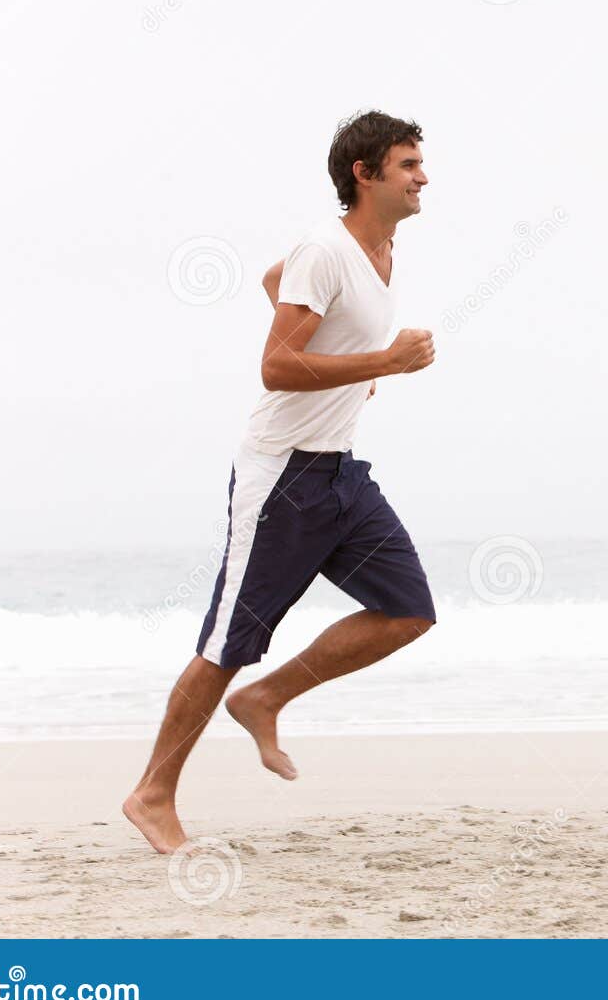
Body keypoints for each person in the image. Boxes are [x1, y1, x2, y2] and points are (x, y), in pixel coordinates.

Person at [124, 111, 438, 853]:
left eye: (421, 163)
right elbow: (275, 366)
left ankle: (267, 698)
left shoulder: (380, 249)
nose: (423, 176)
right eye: (406, 165)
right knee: (228, 642)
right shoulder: (326, 248)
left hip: (339, 472)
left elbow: (278, 284)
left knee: (407, 610)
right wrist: (379, 364)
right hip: (282, 476)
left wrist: (349, 369)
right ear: (364, 174)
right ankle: (152, 794)